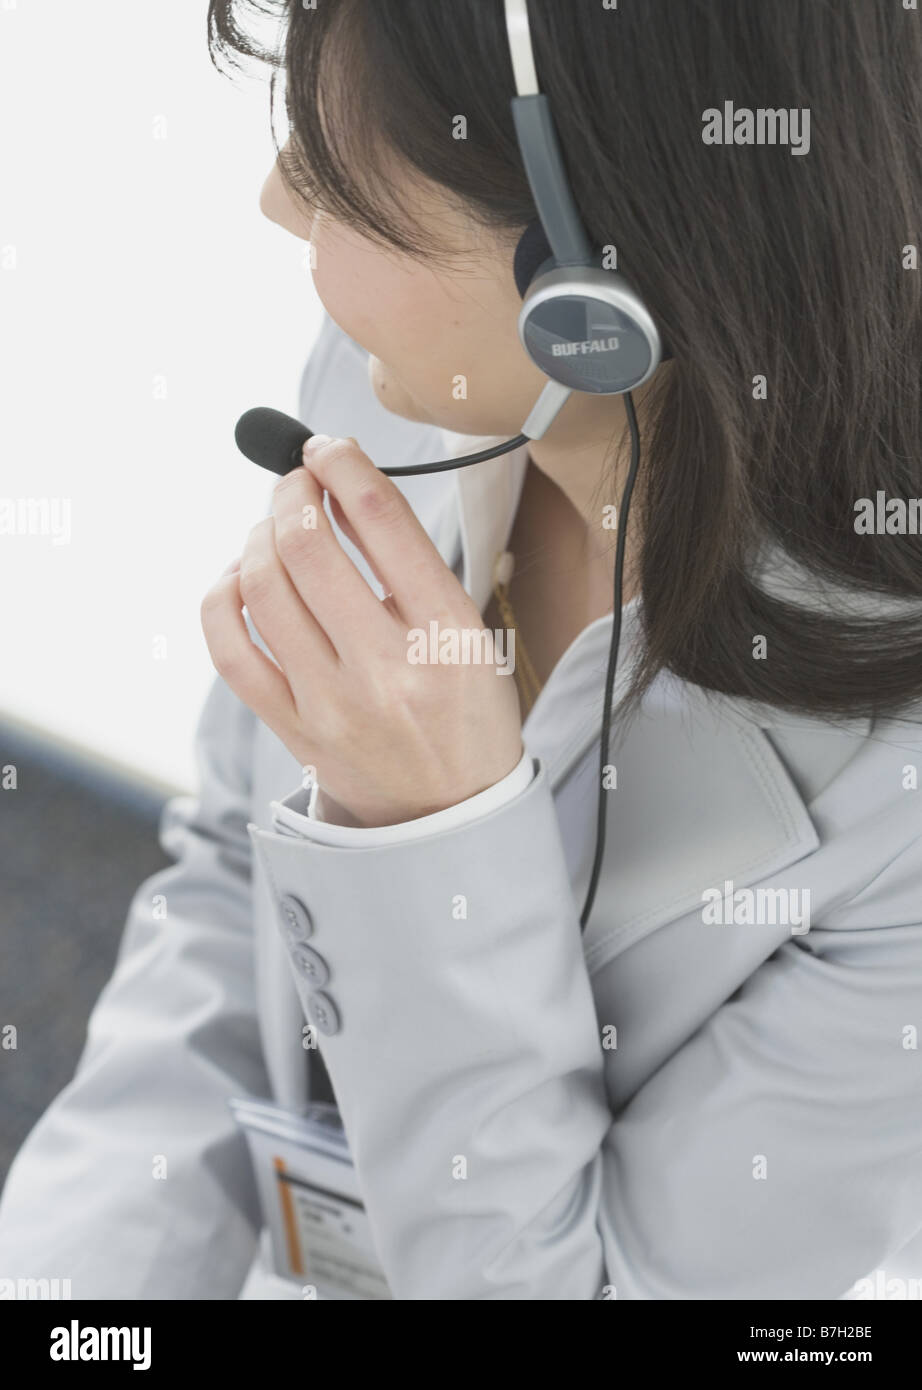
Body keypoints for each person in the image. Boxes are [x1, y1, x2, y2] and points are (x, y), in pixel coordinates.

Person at [1, 0, 921, 1301]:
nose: (275, 203)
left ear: (586, 297)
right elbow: (229, 882)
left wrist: (422, 839)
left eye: (341, 192)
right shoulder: (415, 372)